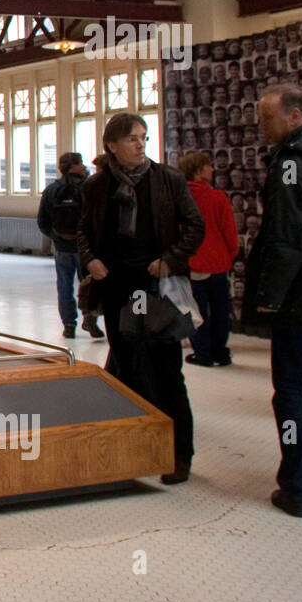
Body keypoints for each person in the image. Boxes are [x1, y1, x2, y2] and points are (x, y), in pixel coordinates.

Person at [79, 112, 205, 485]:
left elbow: (195, 225)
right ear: (112, 146)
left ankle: (179, 453)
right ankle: (135, 447)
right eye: (132, 139)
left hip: (155, 285)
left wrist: (171, 259)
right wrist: (91, 260)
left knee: (168, 370)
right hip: (117, 285)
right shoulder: (96, 187)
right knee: (129, 368)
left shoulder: (168, 180)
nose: (140, 145)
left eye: (143, 138)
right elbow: (83, 231)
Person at [243, 84, 302, 518]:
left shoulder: (291, 165)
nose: (261, 125)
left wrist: (270, 296)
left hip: (300, 301)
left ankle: (295, 485)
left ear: (296, 115)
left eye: (267, 117)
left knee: (290, 394)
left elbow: (287, 237)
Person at [178, 152, 238, 368]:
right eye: (208, 166)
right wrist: (229, 255)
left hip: (190, 263)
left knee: (196, 312)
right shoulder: (217, 198)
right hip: (218, 262)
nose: (212, 169)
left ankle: (202, 352)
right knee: (221, 310)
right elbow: (229, 232)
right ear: (199, 170)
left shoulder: (179, 199)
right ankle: (220, 352)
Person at [37, 152, 103, 340]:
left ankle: (68, 324)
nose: (84, 167)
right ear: (73, 166)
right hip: (85, 250)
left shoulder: (51, 190)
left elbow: (42, 221)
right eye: (81, 163)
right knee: (89, 284)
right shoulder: (87, 188)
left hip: (62, 248)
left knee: (64, 286)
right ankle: (90, 318)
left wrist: (57, 238)